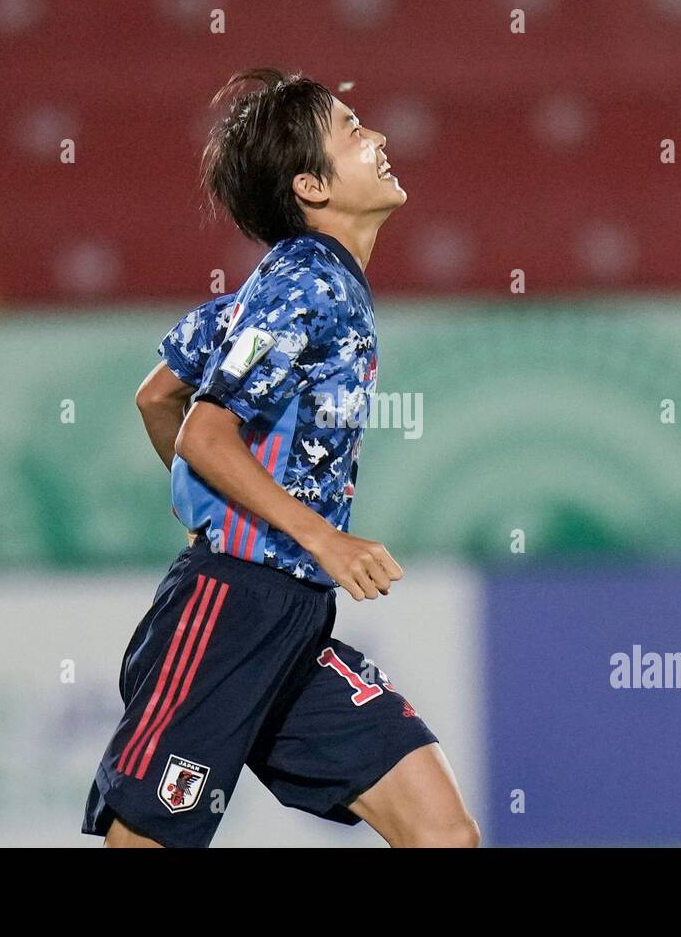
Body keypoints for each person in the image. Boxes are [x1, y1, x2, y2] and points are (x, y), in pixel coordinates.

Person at [81, 67, 478, 848]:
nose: (380, 139)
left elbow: (158, 395)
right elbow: (202, 431)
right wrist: (318, 537)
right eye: (353, 131)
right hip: (227, 609)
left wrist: (215, 501)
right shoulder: (304, 285)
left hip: (290, 617)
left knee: (442, 834)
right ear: (311, 184)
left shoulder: (283, 289)